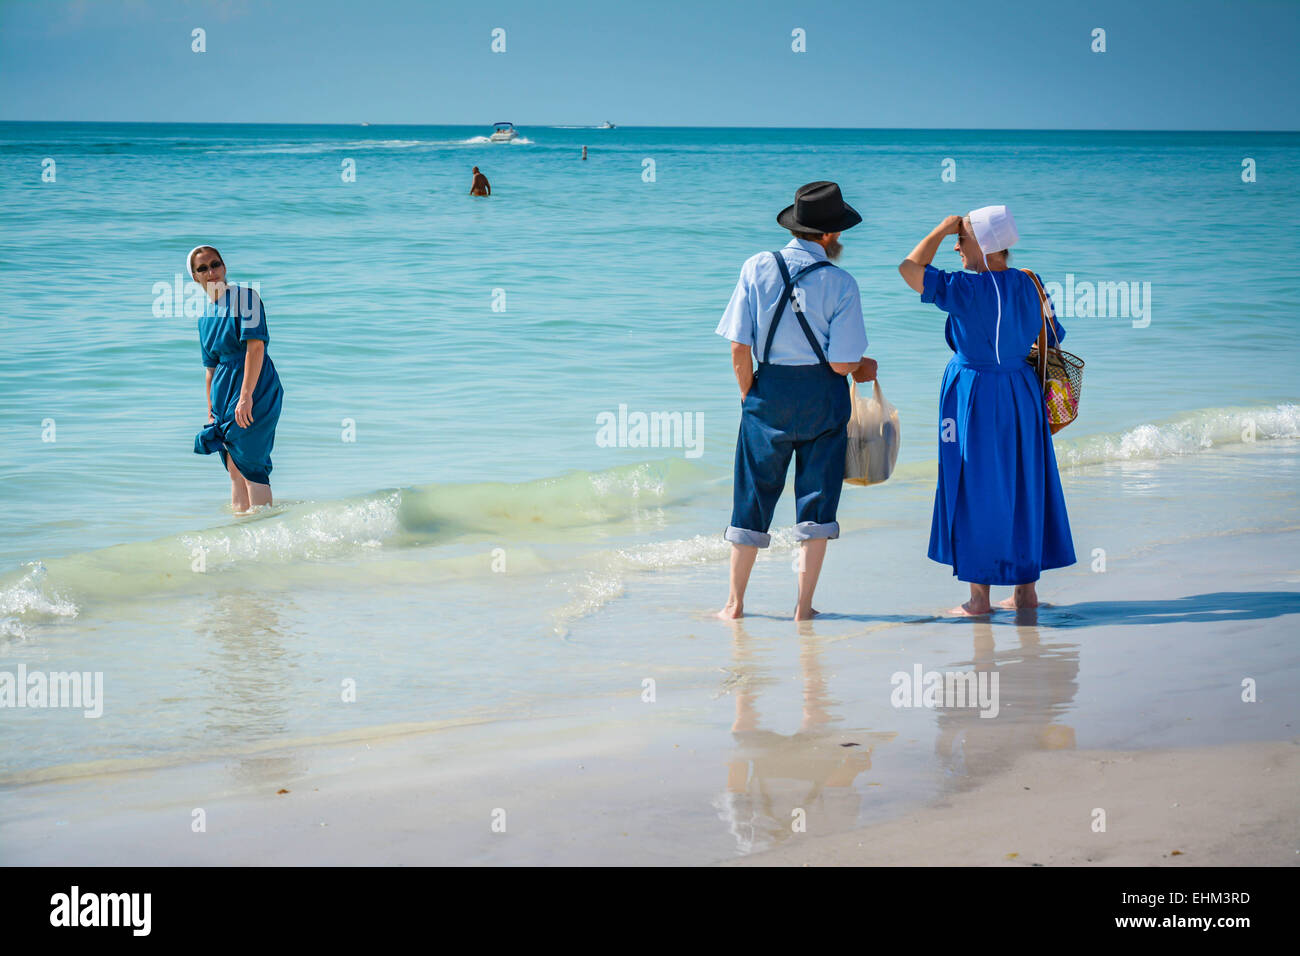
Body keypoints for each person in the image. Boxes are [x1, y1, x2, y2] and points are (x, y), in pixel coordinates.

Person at [898, 207, 1075, 616]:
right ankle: (1025, 593)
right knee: (1024, 484)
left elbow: (909, 268)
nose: (957, 247)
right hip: (1022, 393)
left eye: (963, 239)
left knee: (972, 485)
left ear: (983, 243)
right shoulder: (1032, 283)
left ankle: (979, 599)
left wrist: (940, 227)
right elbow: (1051, 336)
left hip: (974, 395)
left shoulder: (966, 288)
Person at [716, 181, 877, 621]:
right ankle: (803, 608)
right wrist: (864, 365)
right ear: (827, 235)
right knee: (817, 502)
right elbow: (843, 363)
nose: (839, 240)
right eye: (838, 233)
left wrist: (752, 397)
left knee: (751, 499)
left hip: (766, 395)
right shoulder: (842, 283)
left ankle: (734, 605)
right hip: (822, 399)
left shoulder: (756, 267)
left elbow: (737, 346)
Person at [189, 245, 285, 512]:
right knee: (234, 468)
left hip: (256, 390)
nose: (211, 272)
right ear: (195, 278)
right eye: (202, 269)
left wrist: (246, 397)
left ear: (224, 266)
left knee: (252, 465)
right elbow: (210, 368)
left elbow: (256, 347)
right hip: (223, 398)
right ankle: (242, 534)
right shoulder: (204, 318)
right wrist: (210, 409)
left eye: (215, 264)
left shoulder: (247, 298)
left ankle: (265, 535)